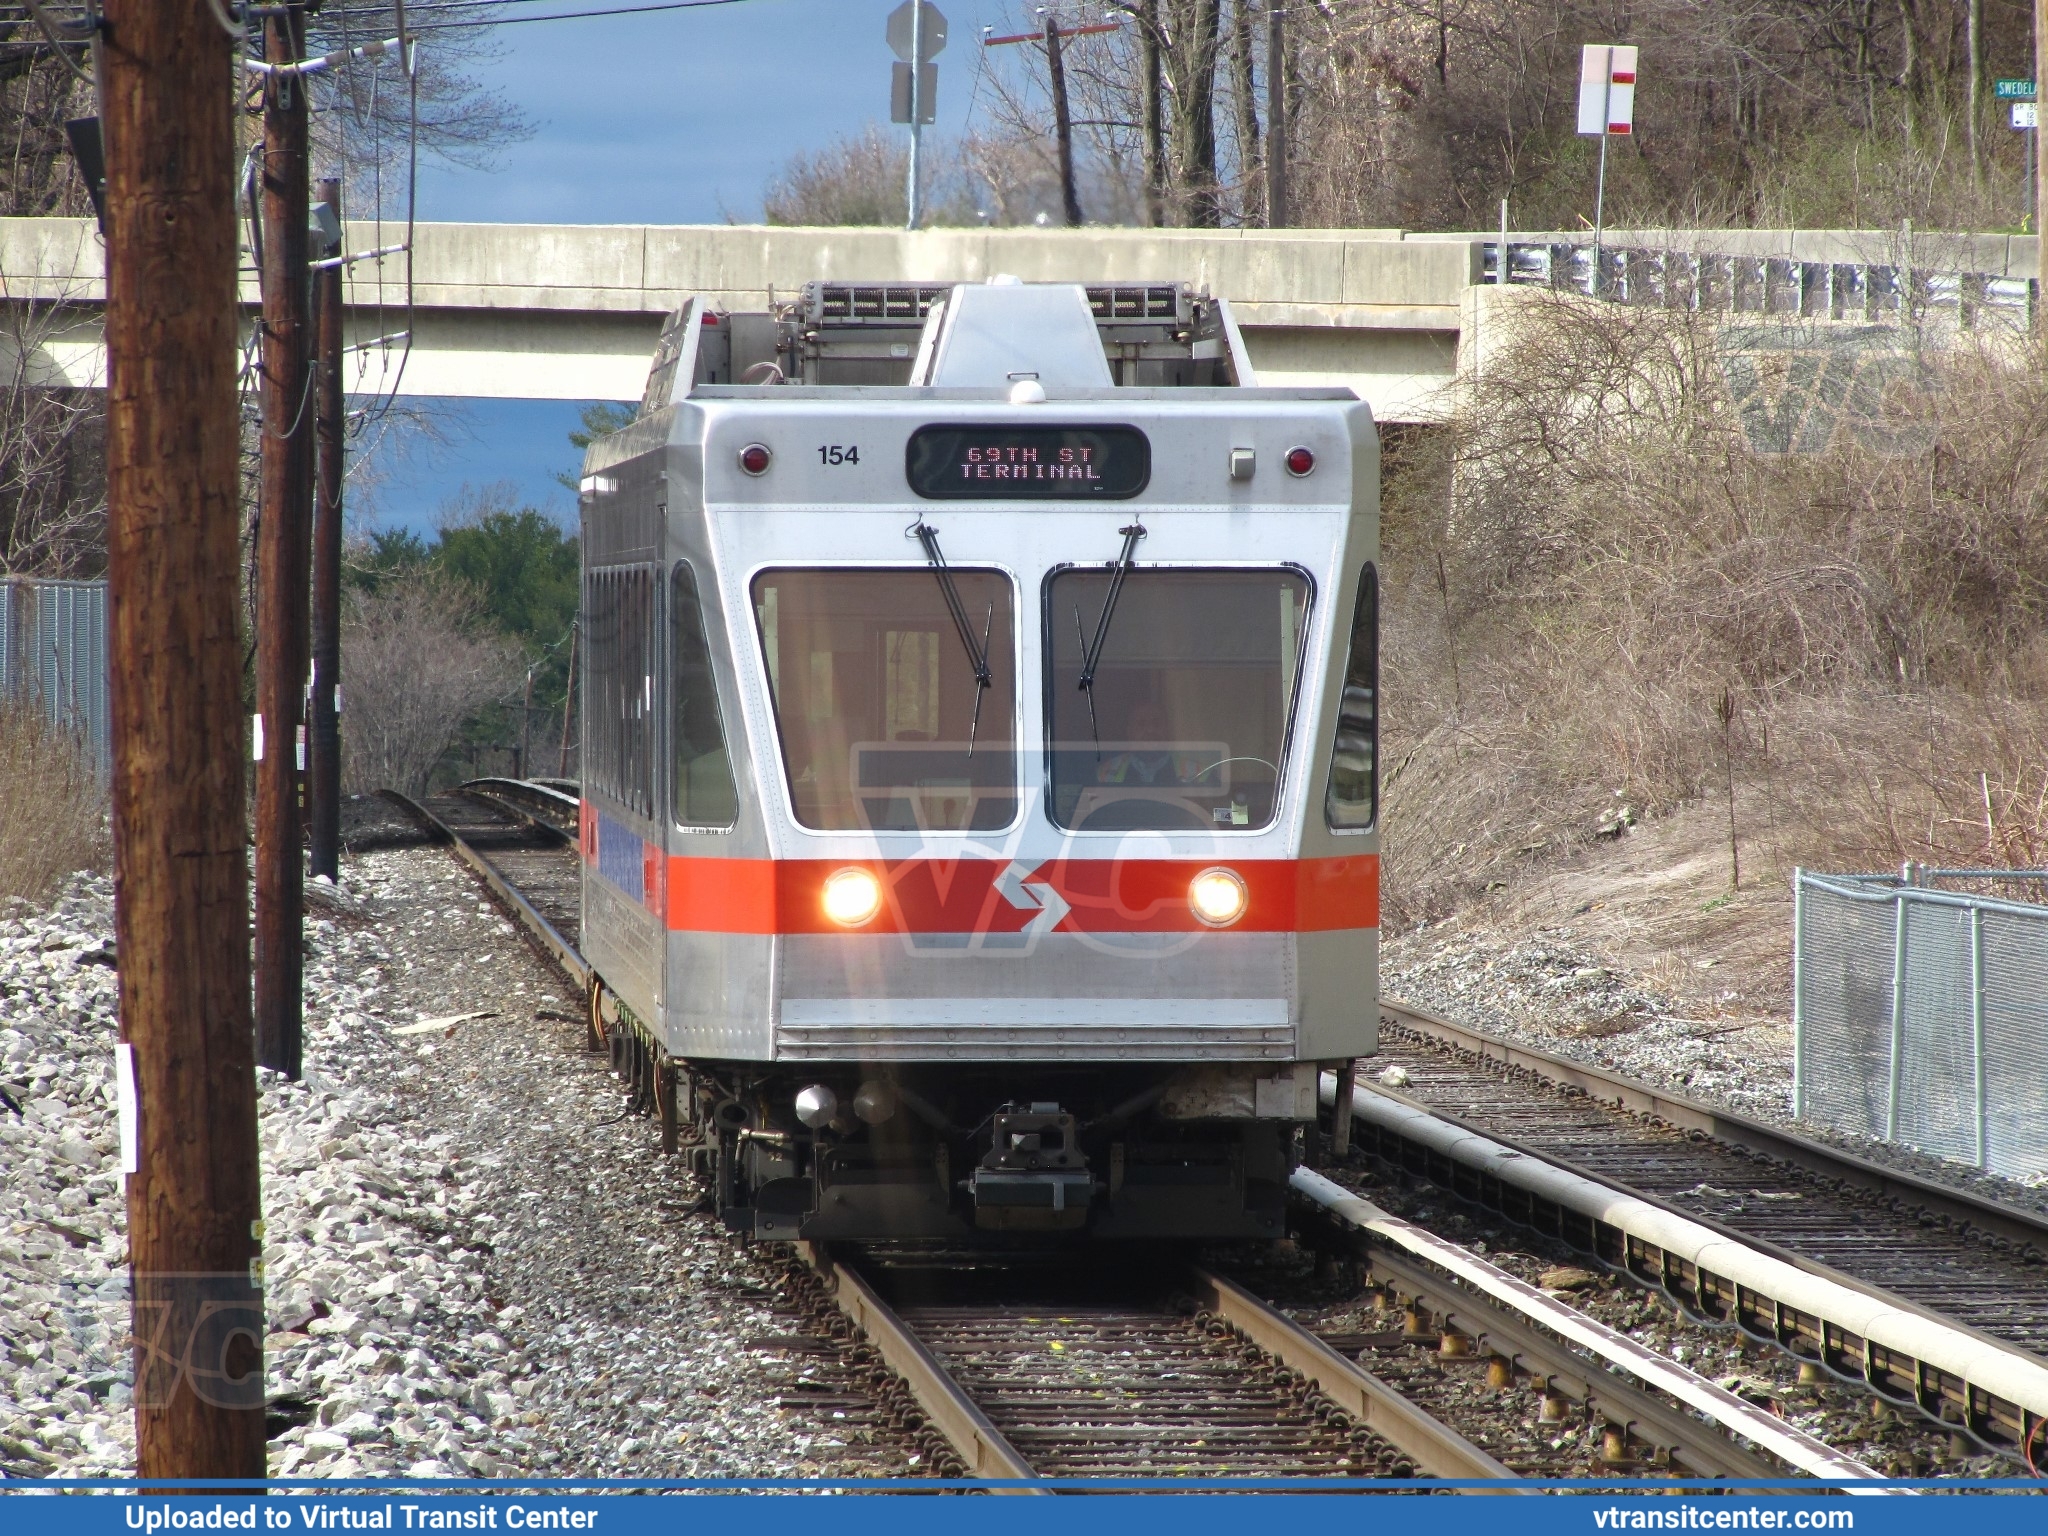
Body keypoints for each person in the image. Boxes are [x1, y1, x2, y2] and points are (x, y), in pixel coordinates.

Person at [1095, 701, 1212, 785]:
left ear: (1167, 730)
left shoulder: (1198, 773)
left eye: (1157, 723)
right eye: (1141, 724)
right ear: (1129, 732)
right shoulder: (1105, 774)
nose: (1150, 730)